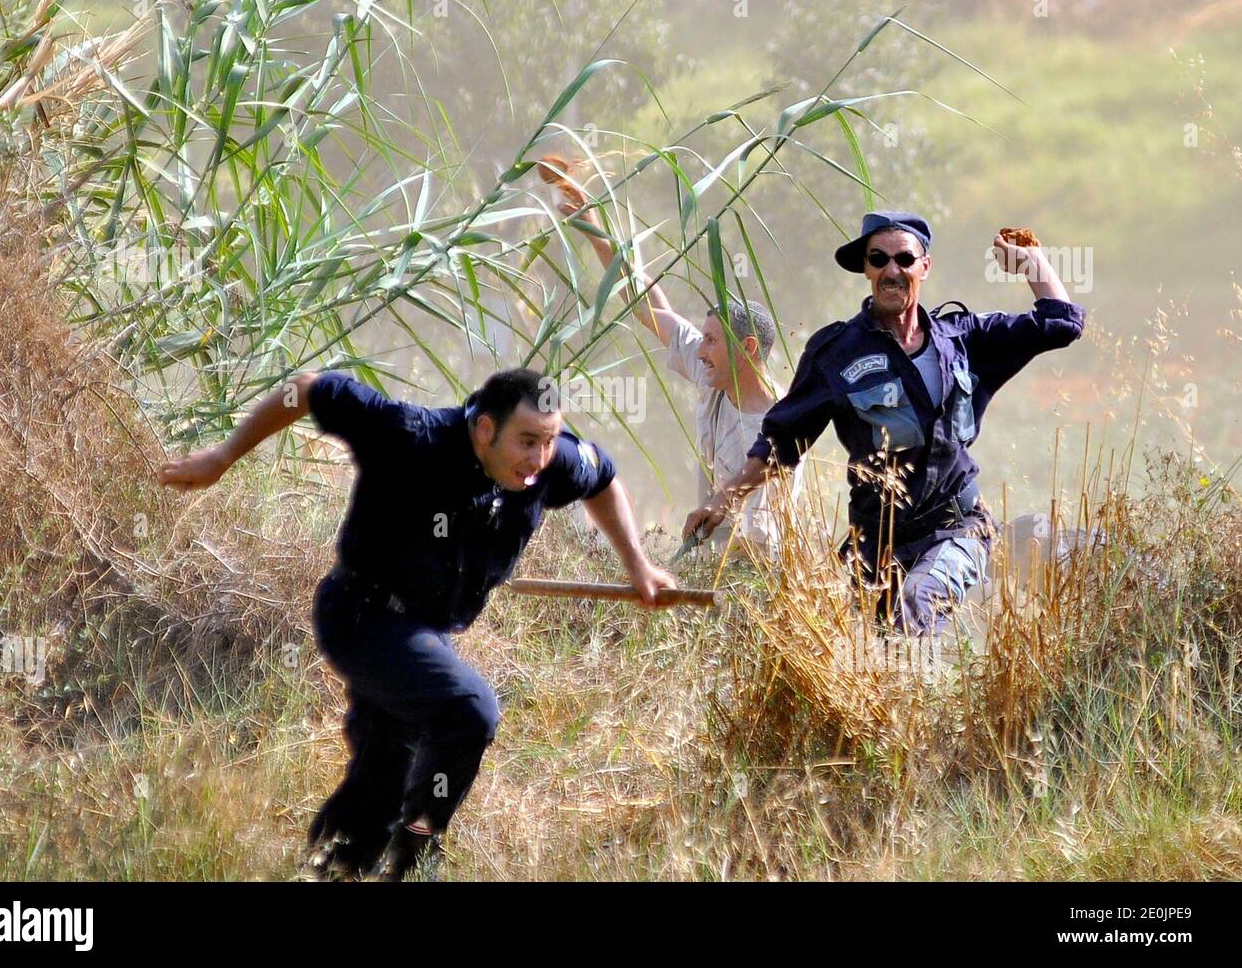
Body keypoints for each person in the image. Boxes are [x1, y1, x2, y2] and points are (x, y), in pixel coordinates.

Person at [160, 367, 675, 880]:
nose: (539, 459)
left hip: (423, 635)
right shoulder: (409, 434)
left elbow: (602, 478)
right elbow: (311, 387)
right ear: (484, 430)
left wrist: (638, 566)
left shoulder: (546, 463)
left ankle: (330, 869)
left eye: (549, 441)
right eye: (527, 442)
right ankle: (416, 857)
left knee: (380, 786)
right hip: (362, 615)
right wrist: (222, 456)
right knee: (470, 710)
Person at [684, 210, 1087, 637]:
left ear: (924, 267)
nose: (892, 270)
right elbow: (782, 440)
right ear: (866, 269)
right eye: (878, 259)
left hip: (957, 527)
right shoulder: (836, 353)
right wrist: (725, 497)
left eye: (905, 259)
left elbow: (1060, 324)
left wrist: (1032, 262)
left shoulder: (964, 339)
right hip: (875, 545)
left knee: (916, 603)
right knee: (877, 650)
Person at [560, 191, 787, 553]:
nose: (700, 351)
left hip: (750, 577)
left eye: (711, 341)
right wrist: (595, 230)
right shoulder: (716, 377)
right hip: (709, 559)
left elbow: (756, 541)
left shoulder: (779, 428)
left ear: (747, 349)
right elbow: (648, 306)